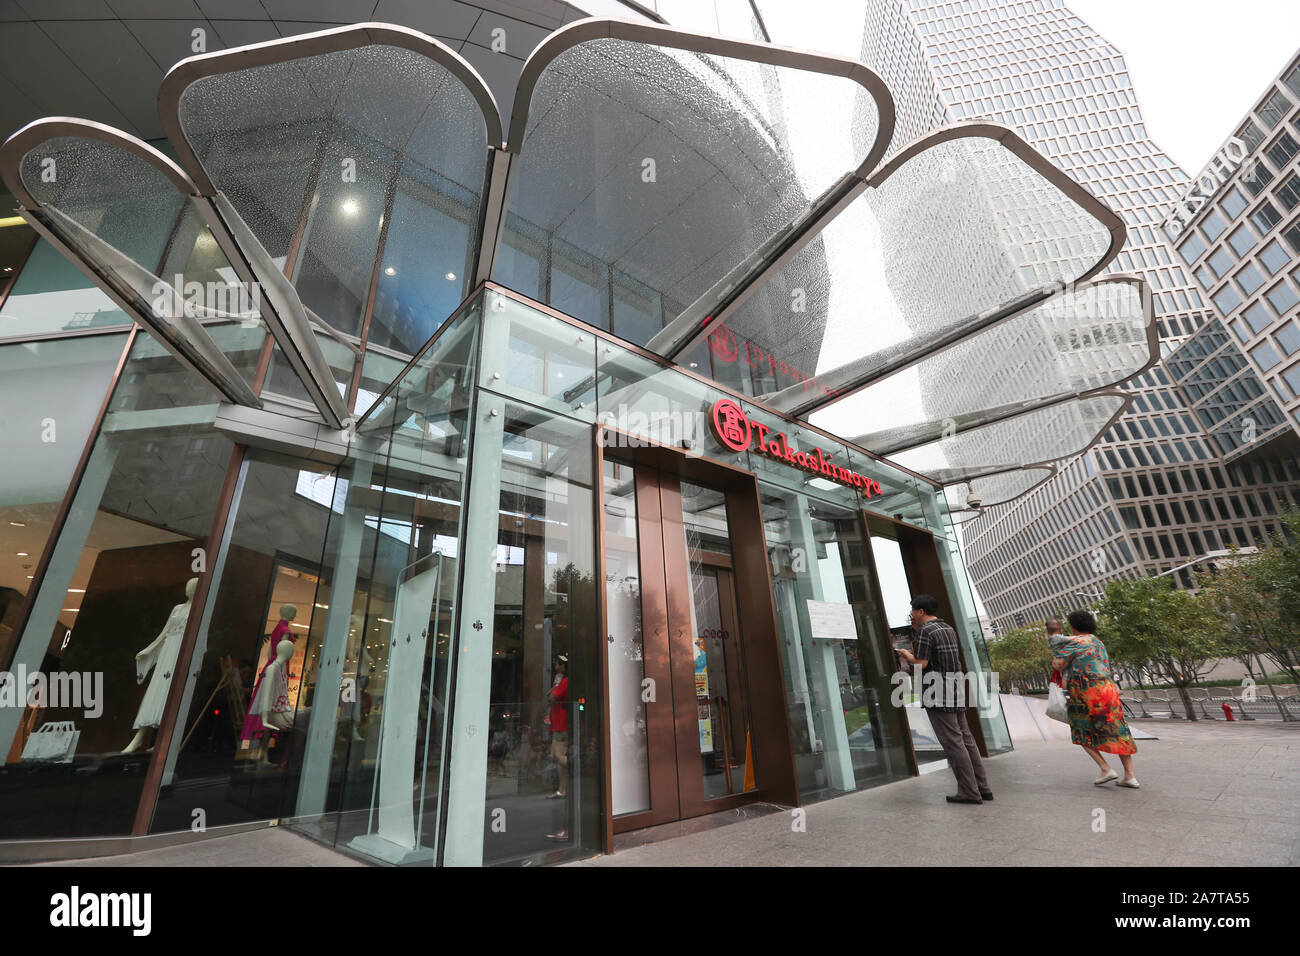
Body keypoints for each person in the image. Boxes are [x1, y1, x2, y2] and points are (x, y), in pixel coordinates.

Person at [896, 594, 992, 805]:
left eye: (913, 611)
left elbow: (921, 663)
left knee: (953, 743)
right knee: (966, 739)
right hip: (956, 687)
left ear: (921, 611)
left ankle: (969, 791)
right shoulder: (948, 628)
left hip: (937, 692)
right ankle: (982, 788)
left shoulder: (925, 632)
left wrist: (905, 654)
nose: (912, 615)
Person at [1053, 609, 1138, 788]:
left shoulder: (1072, 642)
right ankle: (1130, 776)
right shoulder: (1098, 642)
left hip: (1085, 692)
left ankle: (1105, 768)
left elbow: (1058, 665)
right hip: (1107, 690)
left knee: (1081, 730)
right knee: (1118, 731)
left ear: (1073, 626)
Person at [544, 654, 569, 841]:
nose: (555, 665)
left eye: (557, 663)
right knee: (554, 754)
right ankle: (562, 788)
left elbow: (552, 696)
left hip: (562, 724)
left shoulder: (566, 681)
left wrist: (553, 691)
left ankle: (570, 777)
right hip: (556, 724)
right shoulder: (560, 681)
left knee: (558, 755)